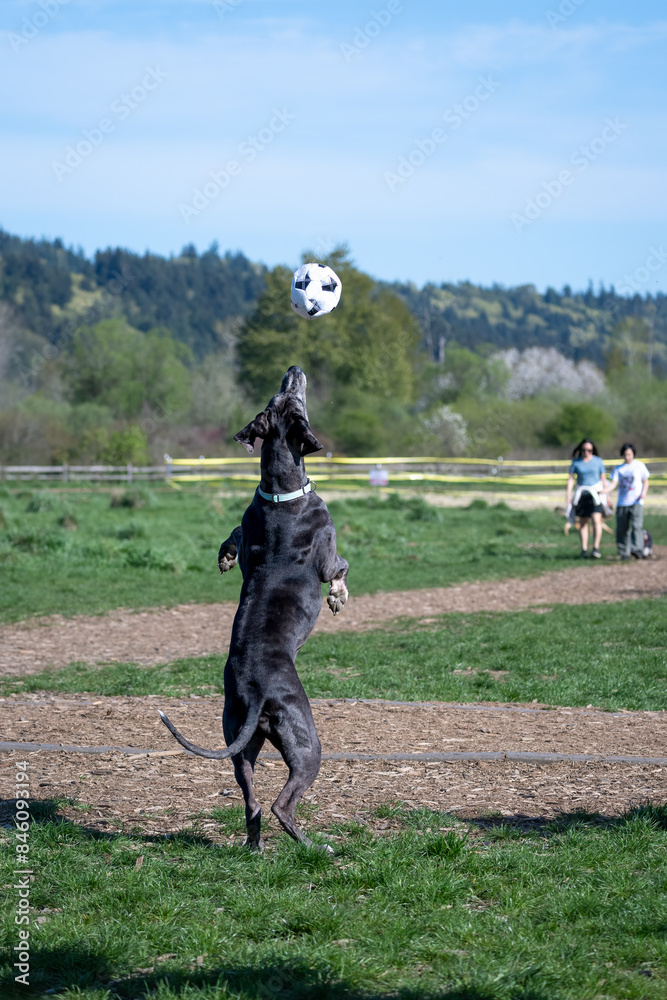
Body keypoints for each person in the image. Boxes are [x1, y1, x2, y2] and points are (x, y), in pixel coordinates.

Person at [605, 443, 650, 560]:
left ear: (633, 454)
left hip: (636, 501)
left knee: (636, 526)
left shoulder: (639, 466)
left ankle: (637, 550)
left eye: (629, 454)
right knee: (622, 529)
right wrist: (605, 491)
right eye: (625, 455)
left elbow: (645, 481)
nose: (627, 457)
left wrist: (643, 494)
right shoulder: (619, 469)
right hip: (622, 503)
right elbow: (613, 484)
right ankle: (624, 552)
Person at [565, 439, 608, 558]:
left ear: (592, 450)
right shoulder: (576, 462)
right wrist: (568, 494)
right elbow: (571, 479)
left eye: (589, 450)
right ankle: (584, 549)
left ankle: (596, 548)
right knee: (582, 523)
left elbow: (603, 478)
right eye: (584, 450)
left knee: (596, 520)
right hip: (582, 495)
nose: (586, 452)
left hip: (595, 495)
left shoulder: (598, 462)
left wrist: (607, 494)